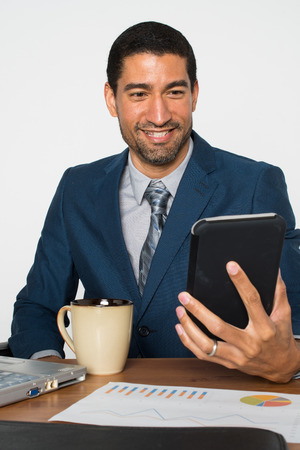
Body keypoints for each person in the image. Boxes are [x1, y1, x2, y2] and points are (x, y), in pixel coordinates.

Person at [8, 21, 300, 382]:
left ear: (194, 93)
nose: (159, 116)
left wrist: (290, 361)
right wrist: (52, 377)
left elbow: (294, 322)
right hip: (104, 409)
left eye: (174, 92)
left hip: (220, 404)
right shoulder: (77, 187)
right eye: (138, 94)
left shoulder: (256, 183)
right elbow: (38, 305)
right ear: (111, 99)